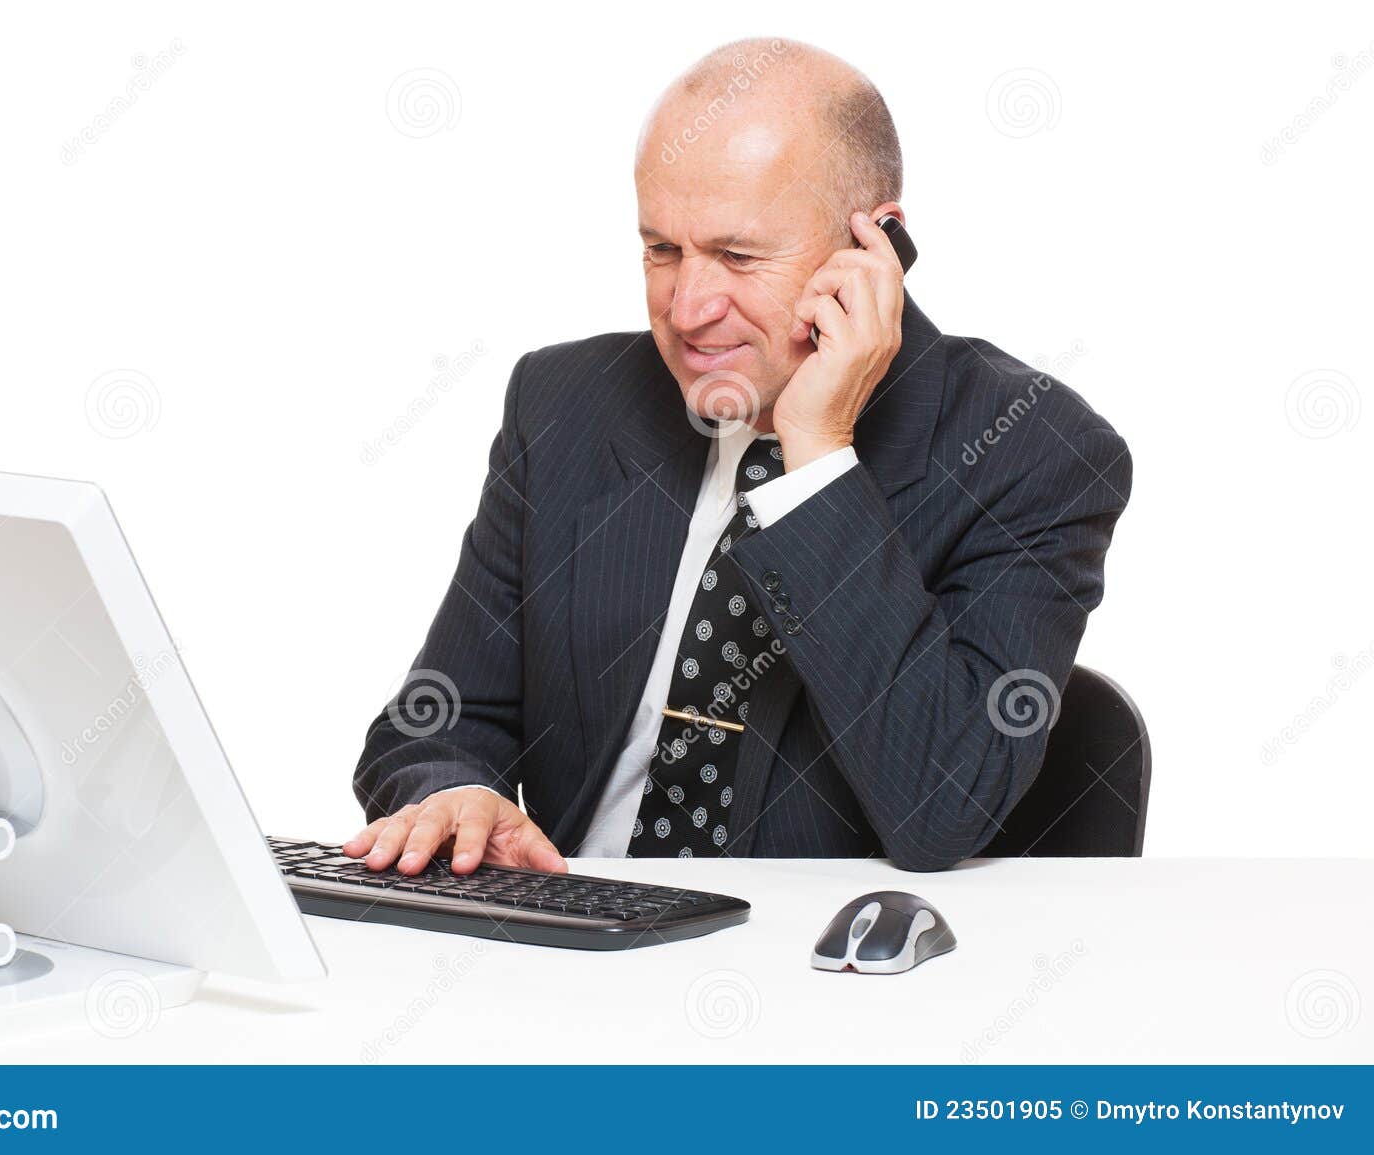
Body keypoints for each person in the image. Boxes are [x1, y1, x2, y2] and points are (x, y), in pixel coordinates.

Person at [347, 38, 1131, 875]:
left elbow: (943, 810)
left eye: (738, 256)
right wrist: (453, 794)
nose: (688, 308)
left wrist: (819, 457)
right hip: (576, 954)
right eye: (662, 250)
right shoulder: (564, 404)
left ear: (877, 250)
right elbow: (436, 722)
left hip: (830, 979)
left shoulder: (1033, 450)